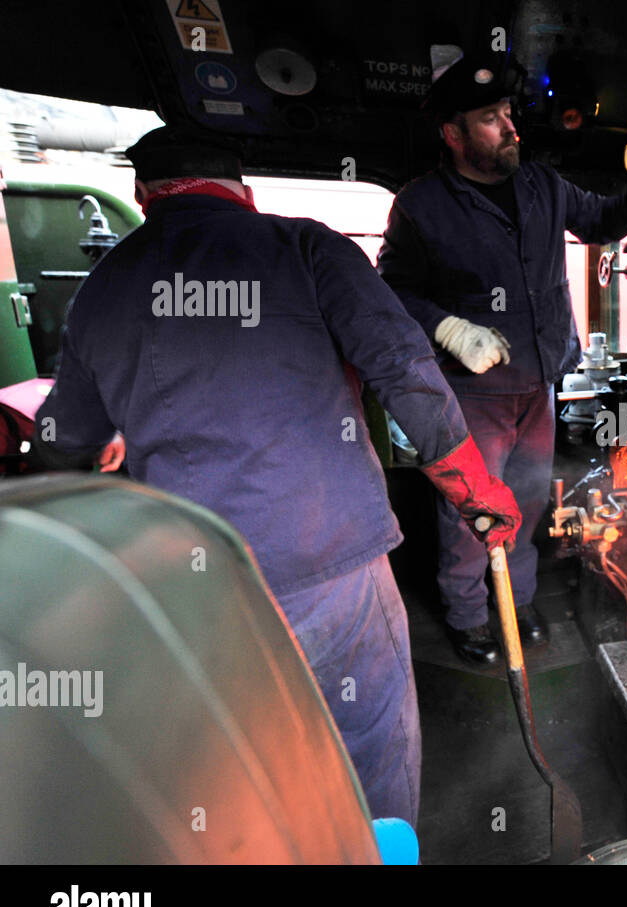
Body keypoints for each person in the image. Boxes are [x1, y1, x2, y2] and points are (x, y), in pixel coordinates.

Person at [33, 125, 522, 828]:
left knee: (241, 775)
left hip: (195, 593)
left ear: (143, 197)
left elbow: (62, 442)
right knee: (373, 760)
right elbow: (406, 373)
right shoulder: (307, 247)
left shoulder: (103, 289)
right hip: (334, 568)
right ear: (244, 190)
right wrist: (475, 490)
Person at [378, 52, 627, 665]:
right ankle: (465, 615)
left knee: (529, 497)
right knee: (471, 510)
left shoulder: (541, 185)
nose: (511, 127)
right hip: (471, 392)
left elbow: (600, 221)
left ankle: (519, 597)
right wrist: (450, 327)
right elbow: (393, 291)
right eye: (490, 117)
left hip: (539, 382)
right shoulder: (421, 205)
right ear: (453, 134)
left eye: (509, 113)